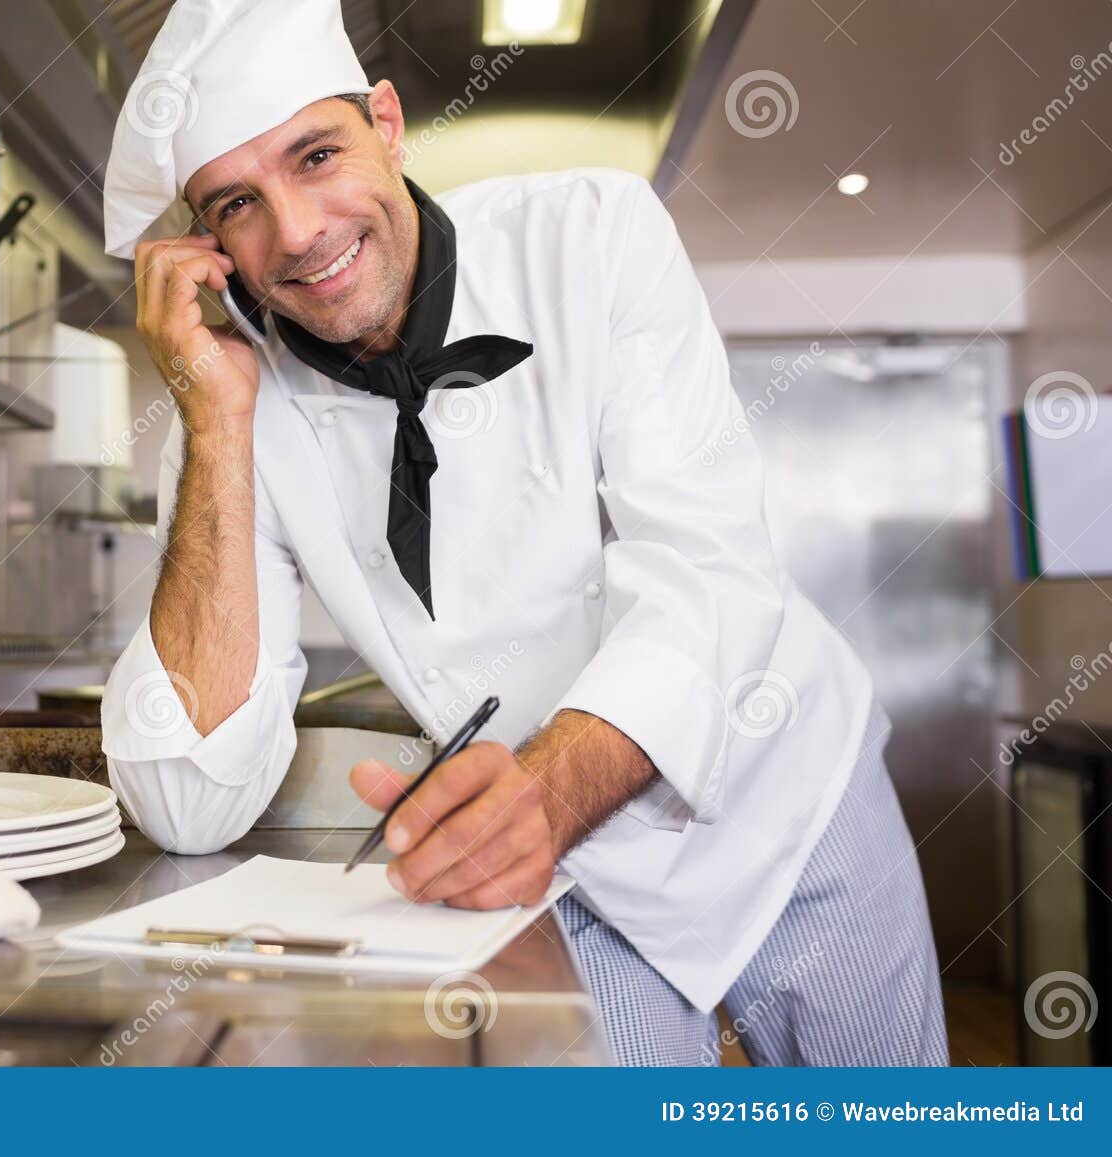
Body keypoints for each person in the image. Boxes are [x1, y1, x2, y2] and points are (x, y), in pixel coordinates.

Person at [98, 0, 946, 1066]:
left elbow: (708, 568)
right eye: (238, 204)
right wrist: (213, 416)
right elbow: (188, 804)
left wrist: (542, 792)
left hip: (784, 788)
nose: (298, 230)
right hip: (558, 867)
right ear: (207, 244)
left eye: (315, 155)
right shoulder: (227, 413)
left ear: (388, 124)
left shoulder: (592, 233)